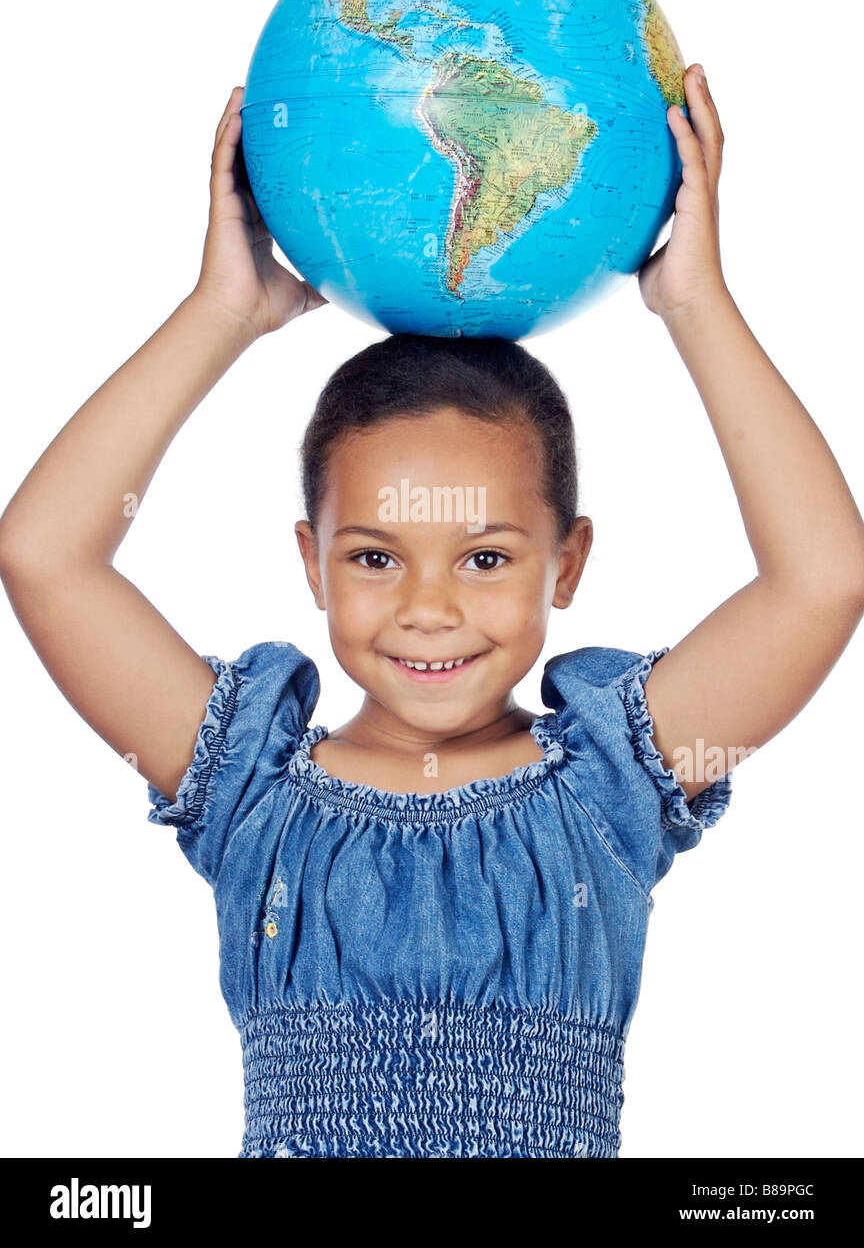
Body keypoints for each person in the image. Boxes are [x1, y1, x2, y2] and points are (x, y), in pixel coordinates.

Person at [1, 68, 863, 1159]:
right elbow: (43, 555)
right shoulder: (249, 794)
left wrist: (696, 303)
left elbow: (822, 579)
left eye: (487, 555)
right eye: (374, 555)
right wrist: (223, 311)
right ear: (311, 563)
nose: (428, 608)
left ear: (569, 560)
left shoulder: (608, 790)